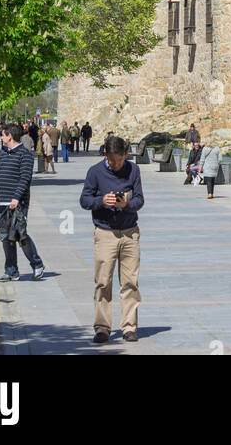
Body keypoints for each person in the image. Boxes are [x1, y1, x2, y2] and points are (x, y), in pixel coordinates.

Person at [80, 135, 145, 344]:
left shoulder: (133, 170)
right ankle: (102, 327)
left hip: (129, 233)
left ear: (126, 154)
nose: (116, 165)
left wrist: (126, 204)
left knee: (130, 282)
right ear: (105, 154)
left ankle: (129, 327)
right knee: (102, 282)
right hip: (105, 233)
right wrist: (101, 200)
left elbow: (140, 200)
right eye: (112, 160)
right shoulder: (95, 172)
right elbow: (84, 200)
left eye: (120, 160)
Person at [0, 122, 46, 282]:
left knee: (20, 236)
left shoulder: (25, 155)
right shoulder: (4, 154)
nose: (1, 137)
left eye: (3, 135)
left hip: (18, 205)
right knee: (5, 238)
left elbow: (25, 179)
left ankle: (37, 264)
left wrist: (16, 198)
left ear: (9, 136)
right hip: (2, 204)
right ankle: (11, 271)